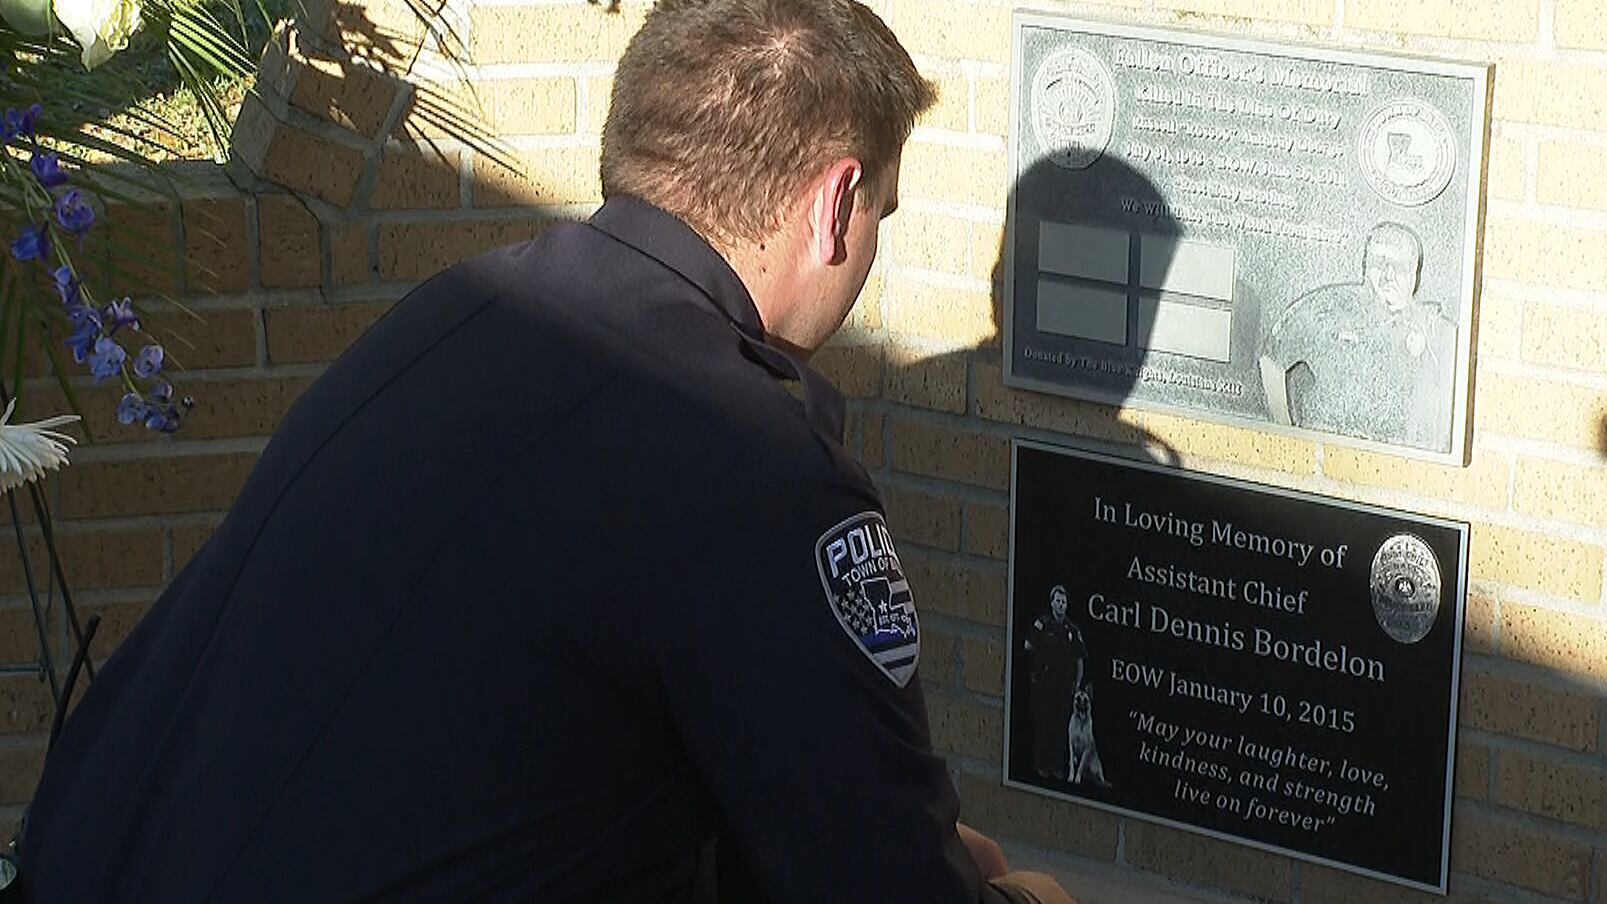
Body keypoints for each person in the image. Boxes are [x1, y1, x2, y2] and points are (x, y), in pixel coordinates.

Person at [15, 1, 1076, 902]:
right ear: (836, 206)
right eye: (881, 211)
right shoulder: (754, 460)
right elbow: (875, 873)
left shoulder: (462, 310)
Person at [1258, 221, 1457, 452]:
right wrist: (1284, 430)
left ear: (1415, 274)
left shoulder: (1437, 333)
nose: (1388, 275)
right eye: (1379, 264)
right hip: (1326, 446)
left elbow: (1450, 408)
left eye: (1399, 266)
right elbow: (1271, 357)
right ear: (1364, 267)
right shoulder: (1330, 307)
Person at [1022, 585, 1088, 780]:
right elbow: (1028, 646)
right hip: (1044, 683)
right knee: (1043, 724)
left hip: (1064, 686)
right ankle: (1041, 766)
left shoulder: (1072, 630)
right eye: (1057, 600)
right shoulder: (1042, 624)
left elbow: (1080, 659)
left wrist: (1077, 684)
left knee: (1060, 727)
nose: (1060, 604)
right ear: (1052, 603)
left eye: (1063, 601)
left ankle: (1057, 768)